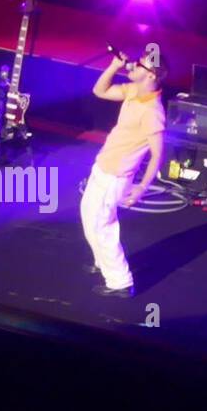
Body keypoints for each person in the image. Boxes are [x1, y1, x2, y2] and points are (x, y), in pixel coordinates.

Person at [81, 48, 168, 298]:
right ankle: (102, 261)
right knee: (89, 216)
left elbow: (157, 155)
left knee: (103, 225)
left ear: (152, 75)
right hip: (103, 166)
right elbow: (99, 91)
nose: (134, 66)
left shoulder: (153, 112)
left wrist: (141, 188)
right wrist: (113, 67)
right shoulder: (133, 91)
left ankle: (119, 280)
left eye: (140, 65)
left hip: (115, 177)